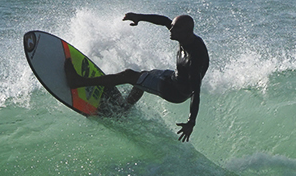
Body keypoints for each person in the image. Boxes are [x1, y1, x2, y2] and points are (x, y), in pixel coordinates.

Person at [67, 12, 210, 141]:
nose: (171, 30)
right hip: (174, 77)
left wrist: (191, 122)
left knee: (129, 75)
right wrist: (139, 17)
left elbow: (195, 91)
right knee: (144, 76)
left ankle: (78, 82)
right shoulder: (184, 36)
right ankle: (124, 109)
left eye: (175, 28)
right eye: (172, 27)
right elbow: (165, 20)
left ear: (186, 32)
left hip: (174, 91)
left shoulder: (194, 59)